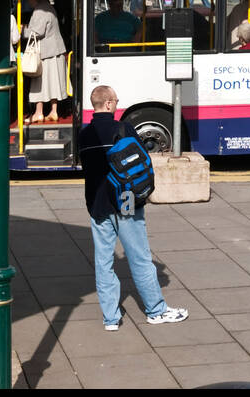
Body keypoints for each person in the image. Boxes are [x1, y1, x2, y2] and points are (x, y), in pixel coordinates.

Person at [80, 85, 188, 331]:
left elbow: (88, 172)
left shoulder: (84, 135)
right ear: (108, 104)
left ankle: (111, 318)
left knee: (103, 261)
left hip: (98, 205)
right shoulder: (124, 128)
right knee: (139, 256)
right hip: (126, 200)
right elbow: (141, 162)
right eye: (116, 100)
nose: (117, 104)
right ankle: (156, 310)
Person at [22, 0, 67, 122]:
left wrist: (23, 30)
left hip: (46, 53)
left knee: (39, 83)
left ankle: (38, 113)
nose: (27, 0)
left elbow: (37, 32)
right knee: (54, 82)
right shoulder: (49, 8)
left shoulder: (39, 10)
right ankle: (54, 111)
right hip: (56, 50)